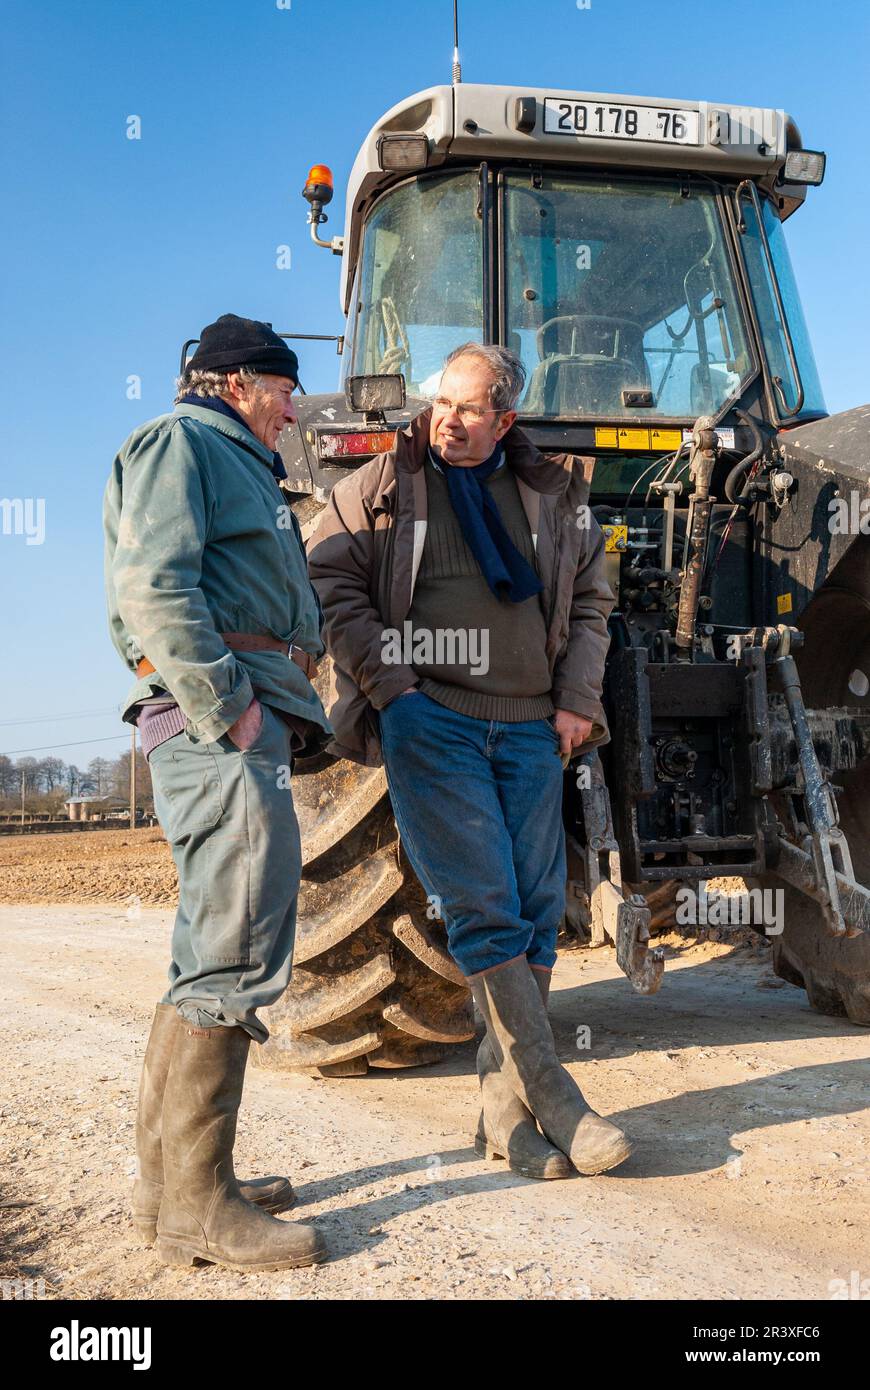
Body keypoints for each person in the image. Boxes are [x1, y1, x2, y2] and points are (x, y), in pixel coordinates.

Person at [308, 342, 631, 1180]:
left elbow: (593, 601)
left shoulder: (555, 495)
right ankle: (556, 1096)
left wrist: (577, 700)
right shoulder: (381, 486)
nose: (447, 420)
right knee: (483, 904)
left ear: (507, 419)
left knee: (530, 906)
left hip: (530, 725)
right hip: (434, 721)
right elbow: (329, 579)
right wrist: (392, 690)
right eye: (441, 402)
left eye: (470, 409)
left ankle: (502, 1118)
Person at [104, 314, 331, 1270]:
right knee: (238, 945)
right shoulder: (182, 442)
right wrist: (229, 708)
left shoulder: (238, 458)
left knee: (210, 947)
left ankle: (175, 1188)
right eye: (284, 387)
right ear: (238, 382)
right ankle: (199, 1210)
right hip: (222, 726)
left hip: (238, 719)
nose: (294, 406)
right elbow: (155, 587)